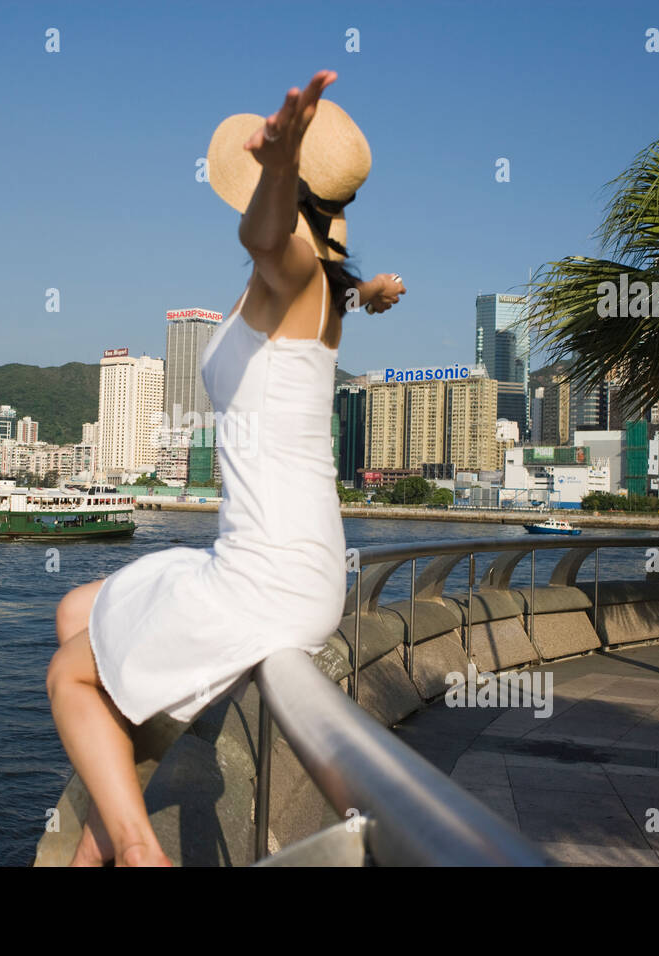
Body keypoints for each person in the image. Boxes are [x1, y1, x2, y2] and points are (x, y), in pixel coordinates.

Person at [46, 69, 406, 867]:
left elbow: (267, 238)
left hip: (271, 571)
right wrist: (377, 291)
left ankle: (137, 852)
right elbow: (337, 283)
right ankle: (113, 823)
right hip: (263, 552)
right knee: (80, 610)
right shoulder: (314, 289)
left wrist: (278, 167)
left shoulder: (293, 272)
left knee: (70, 678)